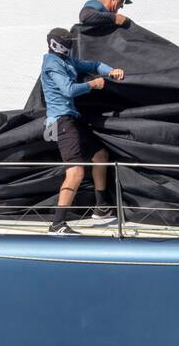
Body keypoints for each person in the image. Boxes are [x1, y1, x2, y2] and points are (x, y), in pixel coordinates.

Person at [40, 28, 125, 235]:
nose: (71, 45)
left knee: (100, 155)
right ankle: (57, 224)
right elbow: (68, 89)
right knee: (76, 171)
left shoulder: (66, 61)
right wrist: (92, 84)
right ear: (56, 44)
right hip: (61, 121)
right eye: (67, 42)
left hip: (72, 118)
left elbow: (94, 65)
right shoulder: (51, 64)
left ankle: (101, 208)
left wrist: (111, 70)